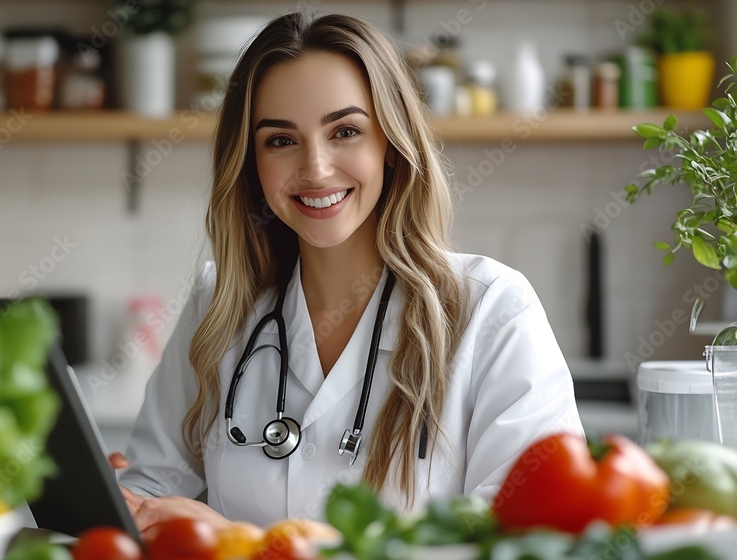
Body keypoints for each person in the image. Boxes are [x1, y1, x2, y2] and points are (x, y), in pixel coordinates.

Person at [112, 11, 584, 533]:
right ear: (250, 161)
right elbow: (152, 492)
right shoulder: (220, 305)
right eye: (281, 140)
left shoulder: (492, 308)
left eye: (345, 131)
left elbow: (528, 538)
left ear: (390, 143)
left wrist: (241, 541)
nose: (315, 168)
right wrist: (122, 499)